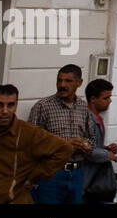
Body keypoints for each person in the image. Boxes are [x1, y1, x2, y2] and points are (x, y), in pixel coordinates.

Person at [0, 85, 73, 204]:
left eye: (10, 105)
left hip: (15, 199)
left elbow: (65, 149)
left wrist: (35, 176)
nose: (5, 111)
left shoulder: (28, 132)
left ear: (16, 106)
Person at [27, 64, 94, 204]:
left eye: (68, 81)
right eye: (59, 80)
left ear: (79, 83)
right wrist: (63, 145)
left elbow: (91, 138)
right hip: (51, 173)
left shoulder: (83, 107)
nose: (62, 85)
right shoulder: (43, 106)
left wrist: (86, 145)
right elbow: (30, 142)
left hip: (77, 173)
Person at [82, 79, 117, 204]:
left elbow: (93, 144)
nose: (110, 101)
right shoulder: (86, 119)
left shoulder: (98, 118)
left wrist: (106, 148)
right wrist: (107, 155)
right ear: (93, 99)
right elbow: (86, 149)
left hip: (96, 178)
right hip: (89, 179)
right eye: (106, 98)